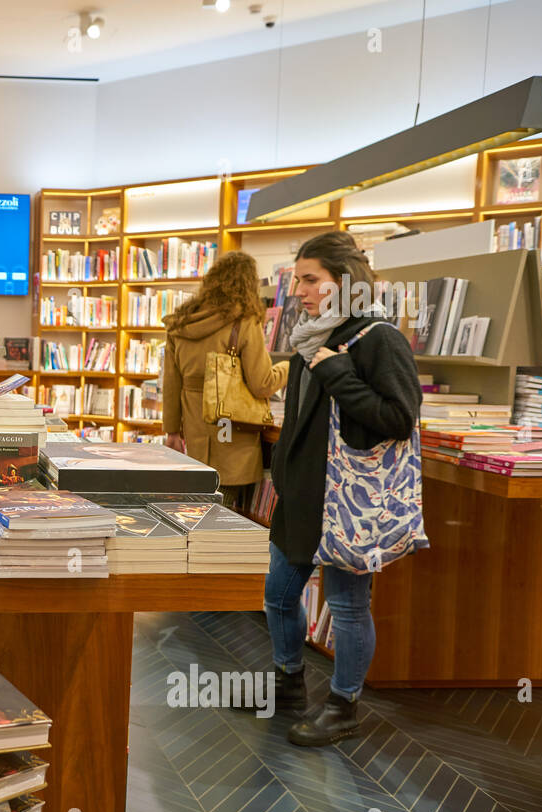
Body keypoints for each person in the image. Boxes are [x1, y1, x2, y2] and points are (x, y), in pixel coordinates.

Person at [261, 231, 421, 747]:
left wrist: (337, 372)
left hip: (347, 503)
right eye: (297, 279)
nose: (299, 291)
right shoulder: (309, 336)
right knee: (278, 596)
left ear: (344, 282)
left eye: (311, 280)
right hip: (302, 497)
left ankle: (344, 705)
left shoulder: (378, 339)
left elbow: (398, 417)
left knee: (348, 606)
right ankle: (287, 686)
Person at [161, 251, 288, 496]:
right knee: (232, 520)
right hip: (232, 437)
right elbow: (262, 384)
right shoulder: (244, 322)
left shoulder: (180, 323)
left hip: (195, 438)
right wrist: (290, 367)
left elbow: (171, 384)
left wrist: (172, 431)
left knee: (197, 511)